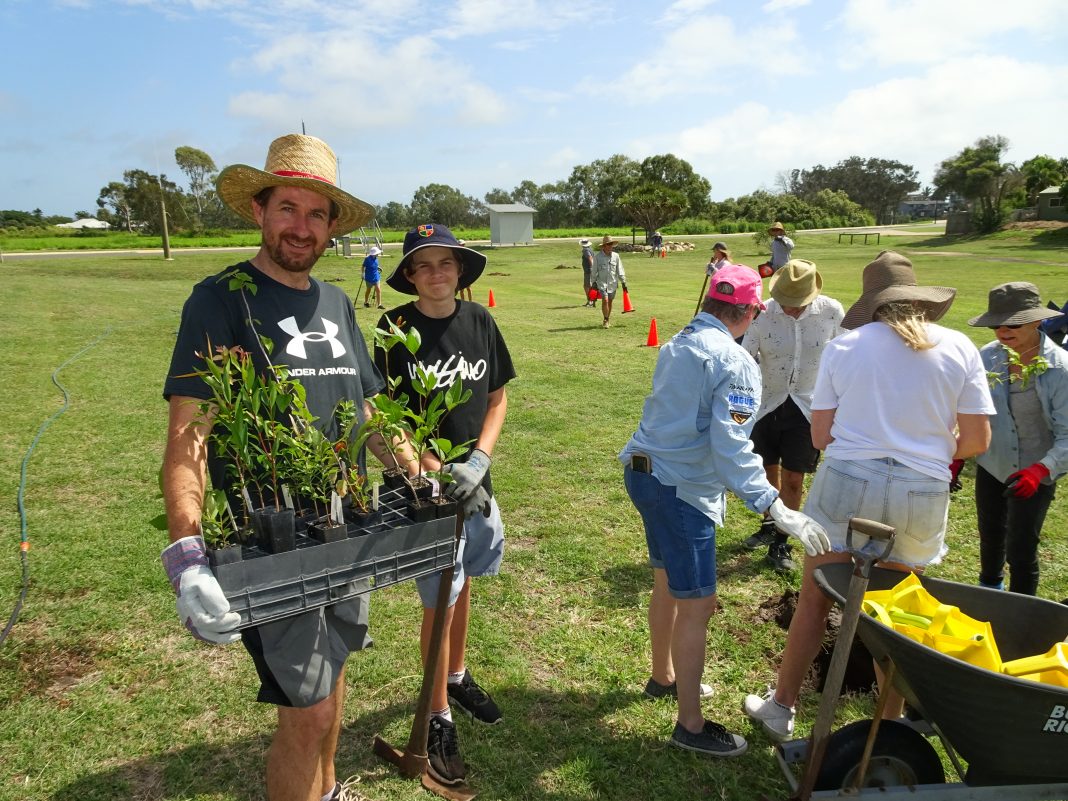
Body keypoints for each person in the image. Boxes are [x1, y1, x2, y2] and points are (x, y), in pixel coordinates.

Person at [161, 133, 415, 801]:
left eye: (316, 214)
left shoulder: (336, 303)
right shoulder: (222, 300)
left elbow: (371, 413)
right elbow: (189, 433)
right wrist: (186, 553)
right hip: (272, 539)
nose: (301, 227)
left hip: (347, 525)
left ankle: (327, 793)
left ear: (332, 227)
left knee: (334, 678)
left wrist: (431, 480)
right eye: (287, 209)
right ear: (259, 210)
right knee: (308, 712)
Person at [744, 251, 994, 742]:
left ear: (872, 303)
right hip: (921, 490)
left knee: (815, 598)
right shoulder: (962, 347)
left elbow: (820, 436)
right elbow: (976, 440)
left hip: (847, 479)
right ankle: (890, 727)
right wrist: (925, 448)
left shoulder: (845, 346)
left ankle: (781, 707)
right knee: (896, 612)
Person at [619, 264, 831, 758]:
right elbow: (731, 447)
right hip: (680, 489)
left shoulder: (680, 341)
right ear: (750, 311)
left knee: (666, 581)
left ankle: (664, 676)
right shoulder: (735, 362)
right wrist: (774, 505)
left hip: (644, 473)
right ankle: (690, 725)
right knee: (697, 604)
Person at [378, 223, 516, 786]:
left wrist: (478, 461)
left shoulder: (480, 320)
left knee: (465, 581)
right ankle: (437, 714)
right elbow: (386, 416)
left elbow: (496, 399)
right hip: (424, 489)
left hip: (477, 482)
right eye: (424, 265)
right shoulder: (394, 329)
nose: (437, 274)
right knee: (439, 597)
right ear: (409, 275)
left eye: (446, 263)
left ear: (460, 271)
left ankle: (456, 675)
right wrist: (433, 472)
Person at [964, 281, 1068, 595]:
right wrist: (958, 457)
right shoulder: (988, 357)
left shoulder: (1061, 368)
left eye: (1014, 323)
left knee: (1021, 547)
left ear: (1037, 321)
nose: (1003, 330)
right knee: (990, 536)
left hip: (1035, 470)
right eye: (996, 324)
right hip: (993, 464)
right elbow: (972, 410)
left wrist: (1040, 470)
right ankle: (989, 593)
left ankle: (1022, 609)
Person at [741, 259, 845, 572]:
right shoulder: (763, 313)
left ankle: (781, 541)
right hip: (767, 404)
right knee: (766, 469)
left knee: (794, 478)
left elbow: (846, 356)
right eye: (785, 300)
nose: (789, 308)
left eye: (796, 302)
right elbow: (745, 355)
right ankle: (769, 522)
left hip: (808, 407)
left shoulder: (831, 312)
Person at [591, 234, 627, 328]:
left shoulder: (616, 256)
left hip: (613, 283)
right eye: (608, 244)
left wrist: (623, 282)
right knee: (605, 300)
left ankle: (607, 318)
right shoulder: (597, 257)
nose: (610, 246)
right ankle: (606, 320)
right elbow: (594, 271)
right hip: (602, 283)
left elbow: (620, 269)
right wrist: (593, 283)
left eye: (611, 244)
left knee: (610, 301)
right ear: (604, 246)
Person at [580, 238, 596, 306]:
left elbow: (590, 258)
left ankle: (590, 301)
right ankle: (592, 301)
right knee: (589, 286)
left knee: (587, 286)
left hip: (588, 270)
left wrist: (592, 267)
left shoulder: (585, 250)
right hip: (590, 270)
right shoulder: (590, 249)